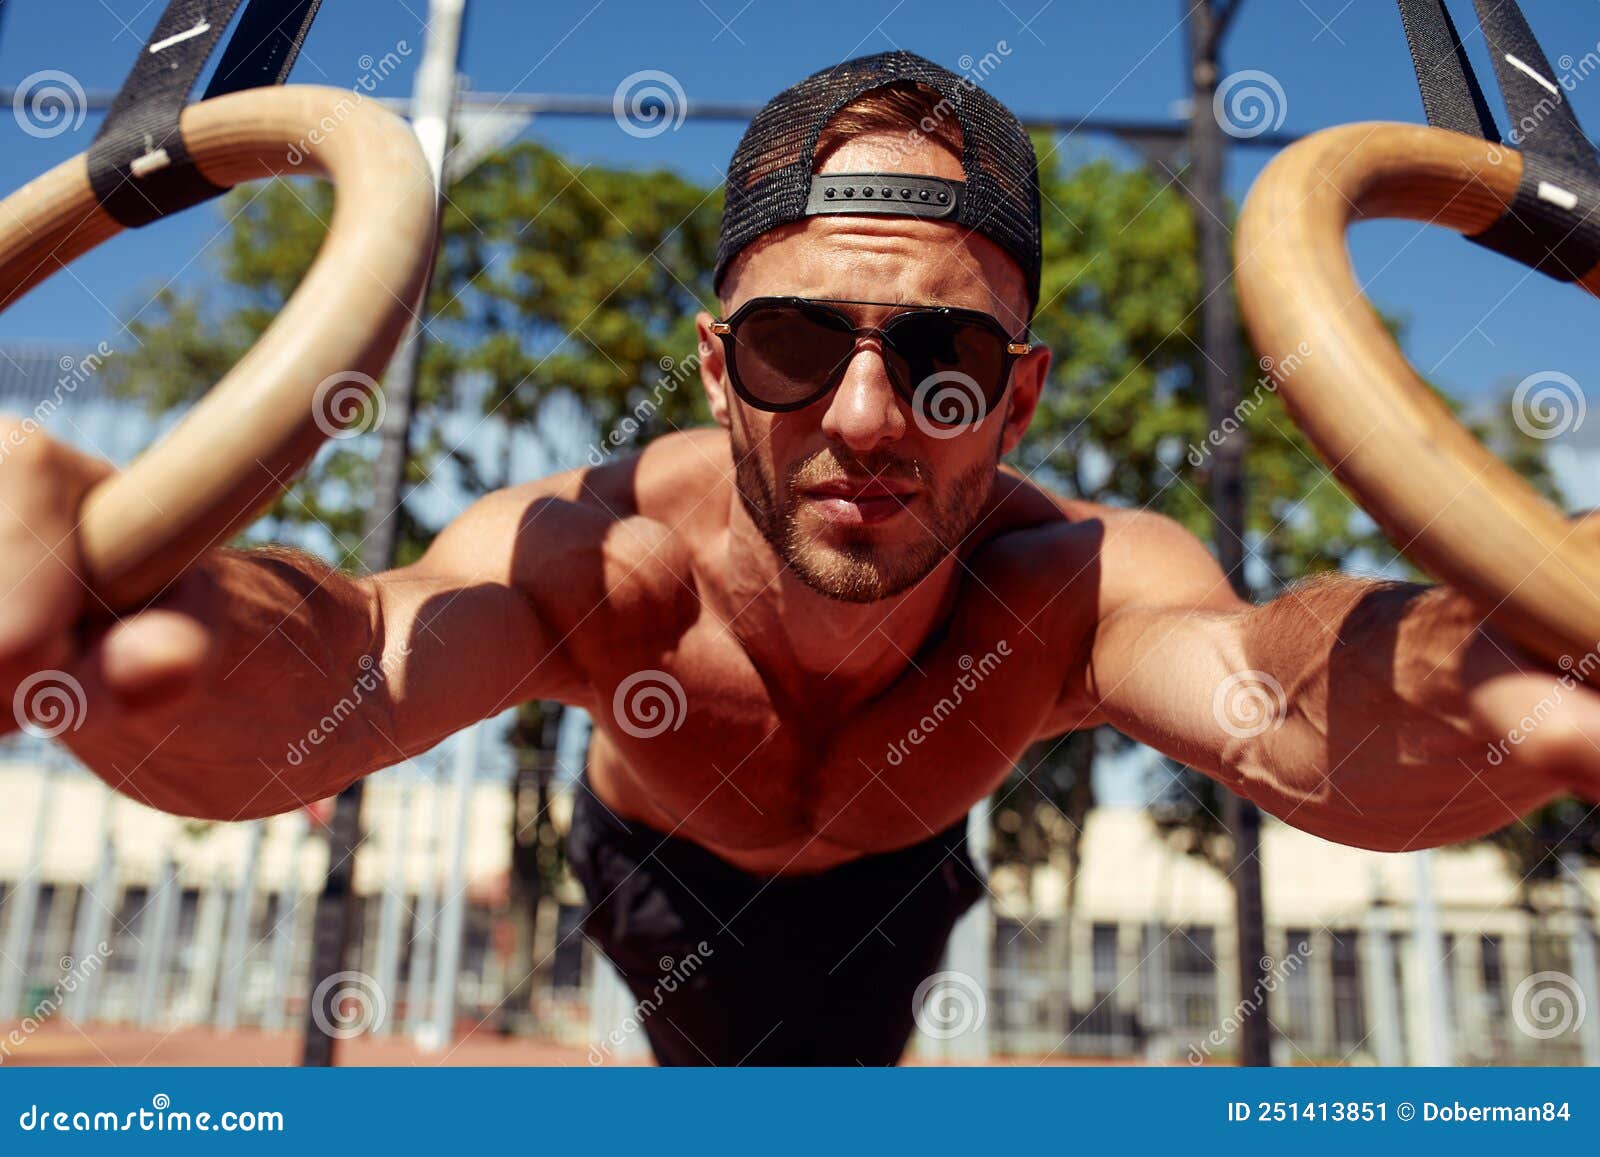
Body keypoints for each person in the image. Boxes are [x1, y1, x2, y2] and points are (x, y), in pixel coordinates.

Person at [2, 50, 1595, 1065]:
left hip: (894, 882)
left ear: (1021, 396)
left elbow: (1281, 699)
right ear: (715, 369)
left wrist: (1498, 649)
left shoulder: (1065, 589)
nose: (865, 416)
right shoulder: (605, 559)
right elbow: (348, 667)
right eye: (793, 344)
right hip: (660, 874)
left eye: (945, 358)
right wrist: (133, 589)